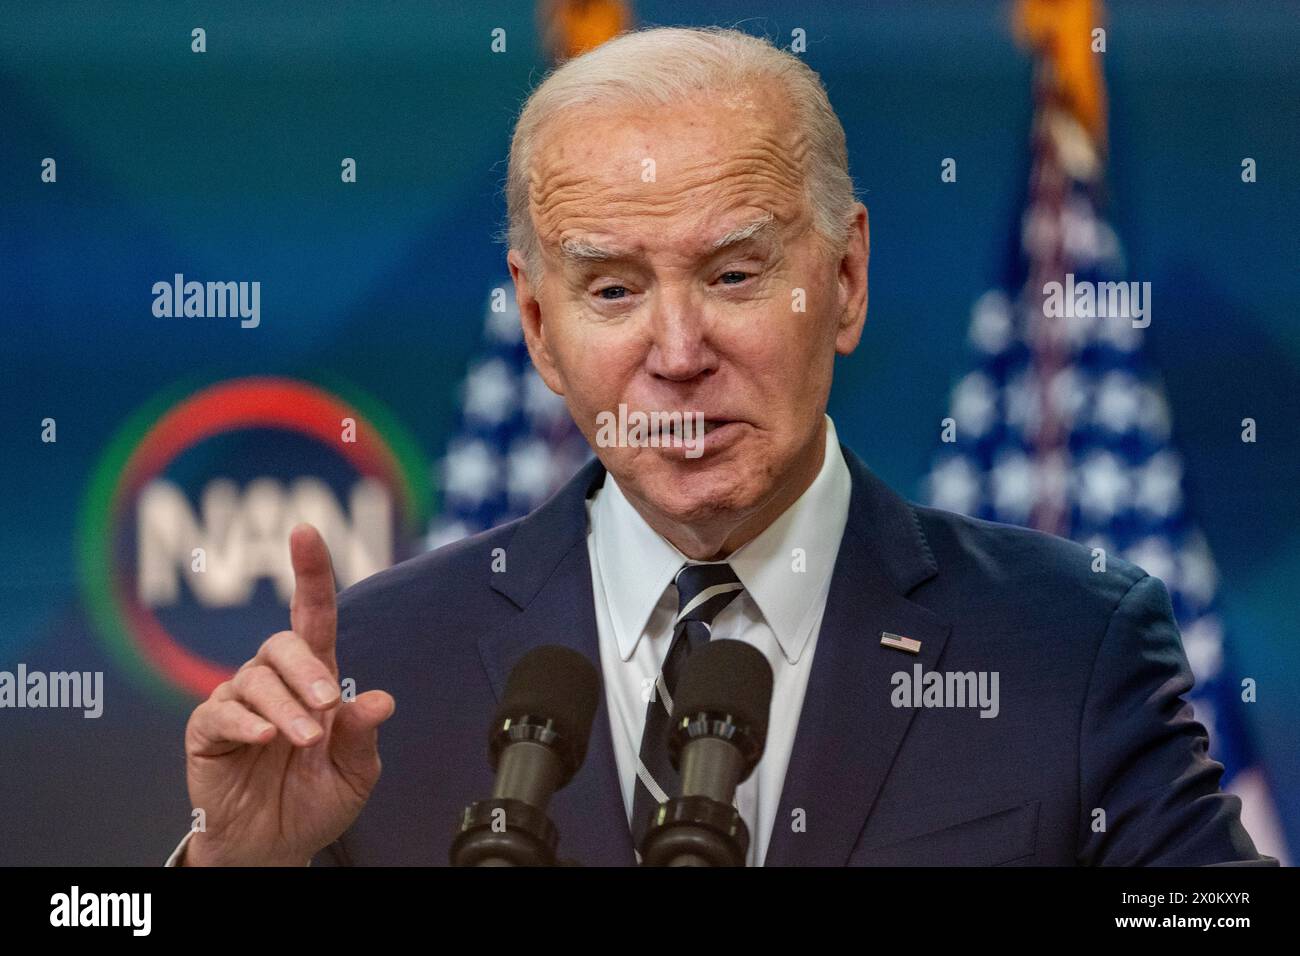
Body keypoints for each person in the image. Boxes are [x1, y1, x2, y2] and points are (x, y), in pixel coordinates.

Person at [169, 26, 1271, 867]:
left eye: (735, 274)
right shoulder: (377, 672)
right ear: (541, 328)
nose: (678, 351)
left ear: (843, 280)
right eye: (612, 288)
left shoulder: (1069, 645)